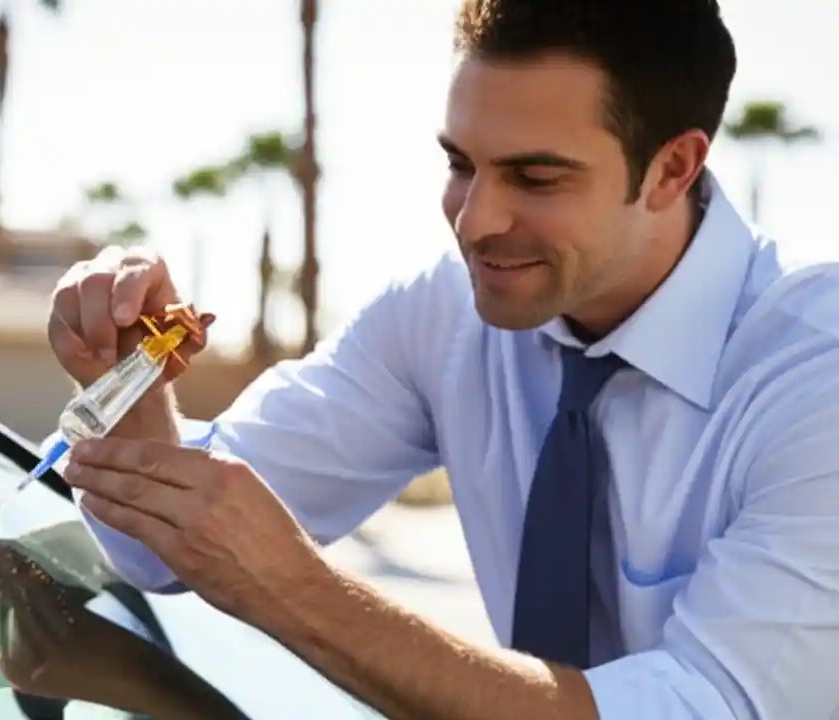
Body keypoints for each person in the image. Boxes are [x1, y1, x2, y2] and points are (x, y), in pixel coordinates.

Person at [42, 1, 839, 718]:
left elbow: (693, 710)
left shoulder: (815, 382)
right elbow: (161, 551)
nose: (475, 220)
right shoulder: (442, 317)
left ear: (673, 168)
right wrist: (130, 384)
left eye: (534, 176)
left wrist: (296, 591)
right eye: (461, 164)